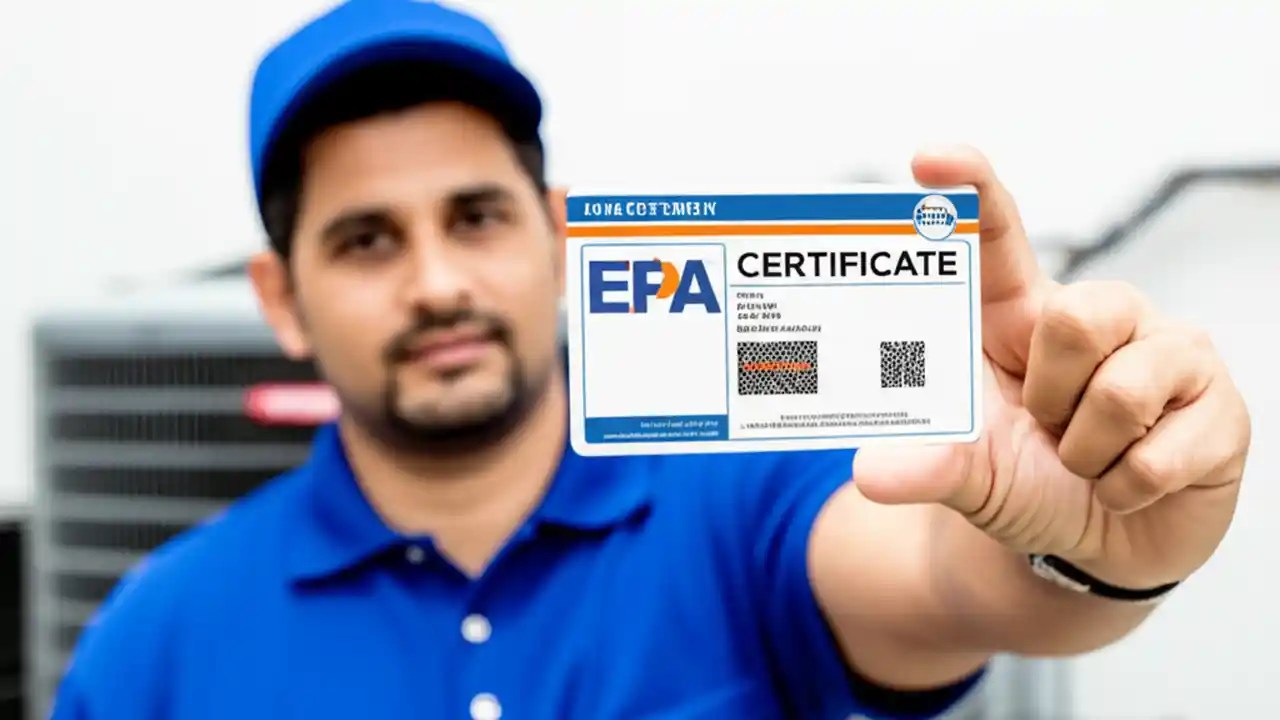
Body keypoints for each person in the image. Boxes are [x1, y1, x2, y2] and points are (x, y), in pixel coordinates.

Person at [50, 1, 1252, 719]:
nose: (436, 283)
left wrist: (1085, 551)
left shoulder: (741, 506)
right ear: (284, 298)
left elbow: (948, 580)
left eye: (475, 216)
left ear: (555, 231)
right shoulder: (155, 637)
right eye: (366, 240)